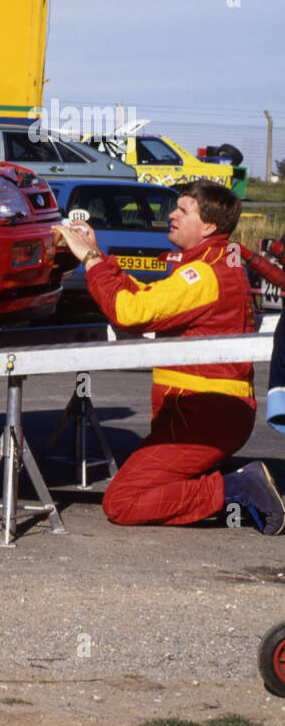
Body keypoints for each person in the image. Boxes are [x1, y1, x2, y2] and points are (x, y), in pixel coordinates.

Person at [59, 179, 283, 534]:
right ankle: (224, 486)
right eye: (175, 207)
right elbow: (151, 297)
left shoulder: (204, 274)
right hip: (204, 411)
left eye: (183, 211)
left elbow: (131, 312)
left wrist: (89, 259)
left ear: (208, 226)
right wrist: (99, 258)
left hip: (204, 413)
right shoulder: (210, 263)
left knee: (122, 501)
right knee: (147, 487)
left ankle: (237, 488)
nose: (172, 215)